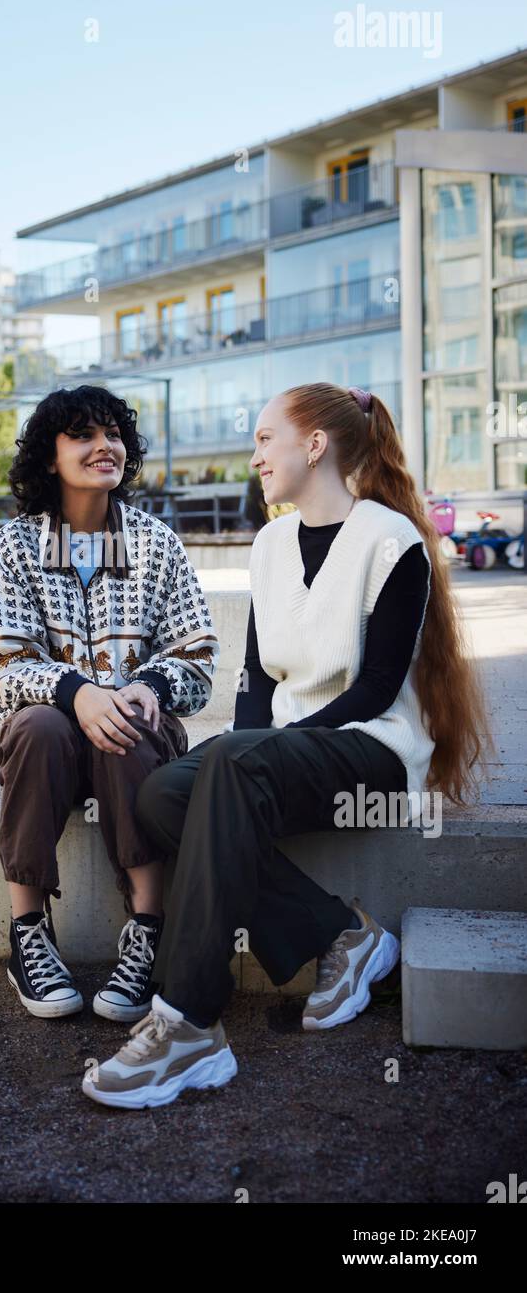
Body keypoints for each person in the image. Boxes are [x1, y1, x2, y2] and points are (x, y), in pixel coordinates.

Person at [83, 381, 493, 1110]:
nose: (254, 456)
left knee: (231, 764)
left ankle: (187, 1023)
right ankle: (342, 934)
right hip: (282, 759)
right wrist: (241, 752)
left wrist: (254, 754)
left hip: (370, 755)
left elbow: (373, 689)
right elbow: (253, 685)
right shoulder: (268, 545)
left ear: (314, 445)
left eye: (265, 439)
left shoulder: (389, 539)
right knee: (161, 792)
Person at [0, 385, 219, 1023]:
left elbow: (199, 657)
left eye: (113, 433)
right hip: (52, 736)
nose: (103, 446)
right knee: (33, 724)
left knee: (129, 718)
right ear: (49, 456)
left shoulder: (155, 542)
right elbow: (6, 668)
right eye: (83, 435)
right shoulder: (14, 547)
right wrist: (76, 692)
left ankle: (147, 928)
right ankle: (29, 932)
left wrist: (150, 688)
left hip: (134, 743)